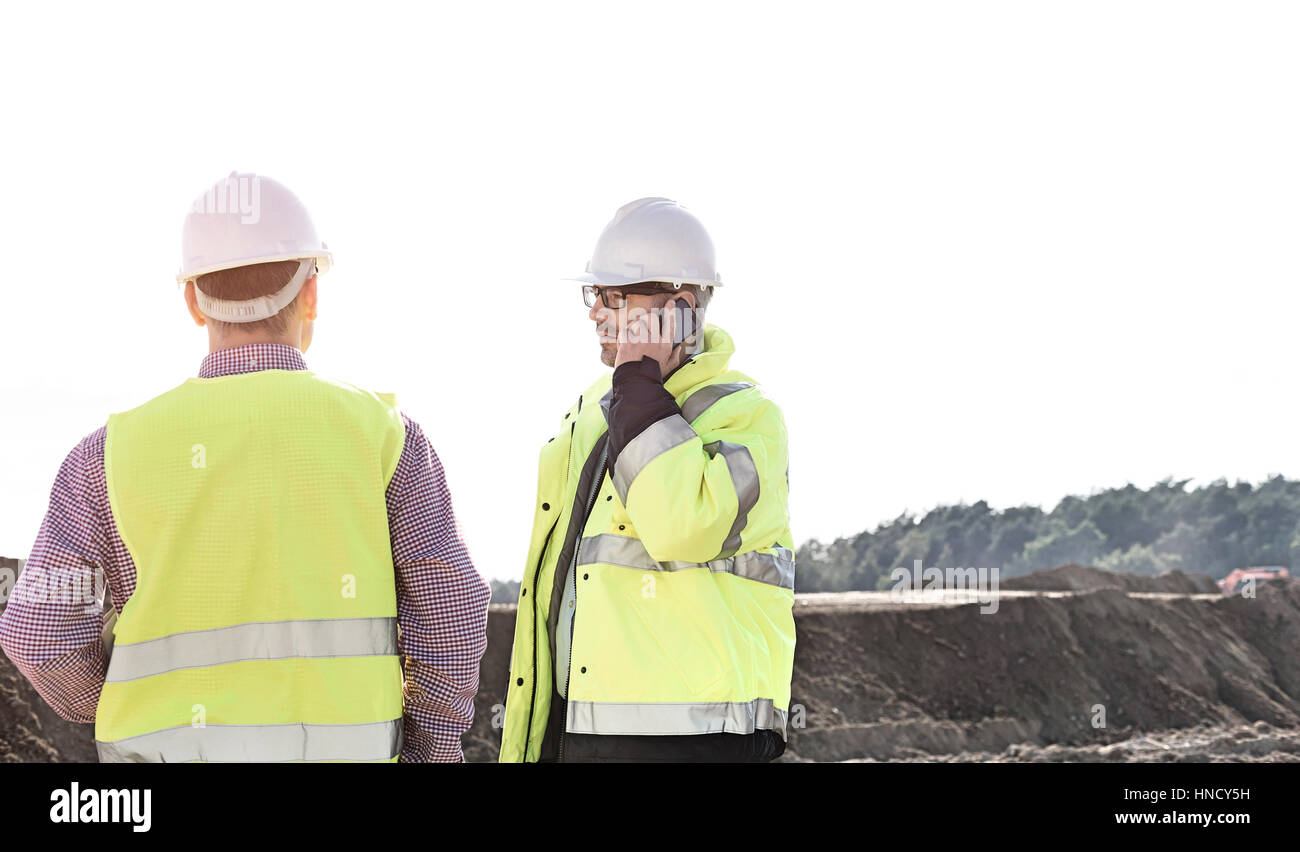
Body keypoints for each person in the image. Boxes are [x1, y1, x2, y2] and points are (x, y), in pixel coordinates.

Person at [0, 172, 492, 762]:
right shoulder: (386, 437)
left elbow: (42, 639)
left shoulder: (104, 457)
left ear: (192, 302)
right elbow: (452, 608)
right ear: (312, 293)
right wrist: (429, 750)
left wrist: (122, 704)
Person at [498, 196, 796, 762]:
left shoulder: (750, 419)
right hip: (583, 732)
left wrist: (640, 392)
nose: (595, 312)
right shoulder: (592, 412)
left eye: (612, 297)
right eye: (594, 295)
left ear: (679, 308)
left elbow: (681, 525)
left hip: (699, 741)